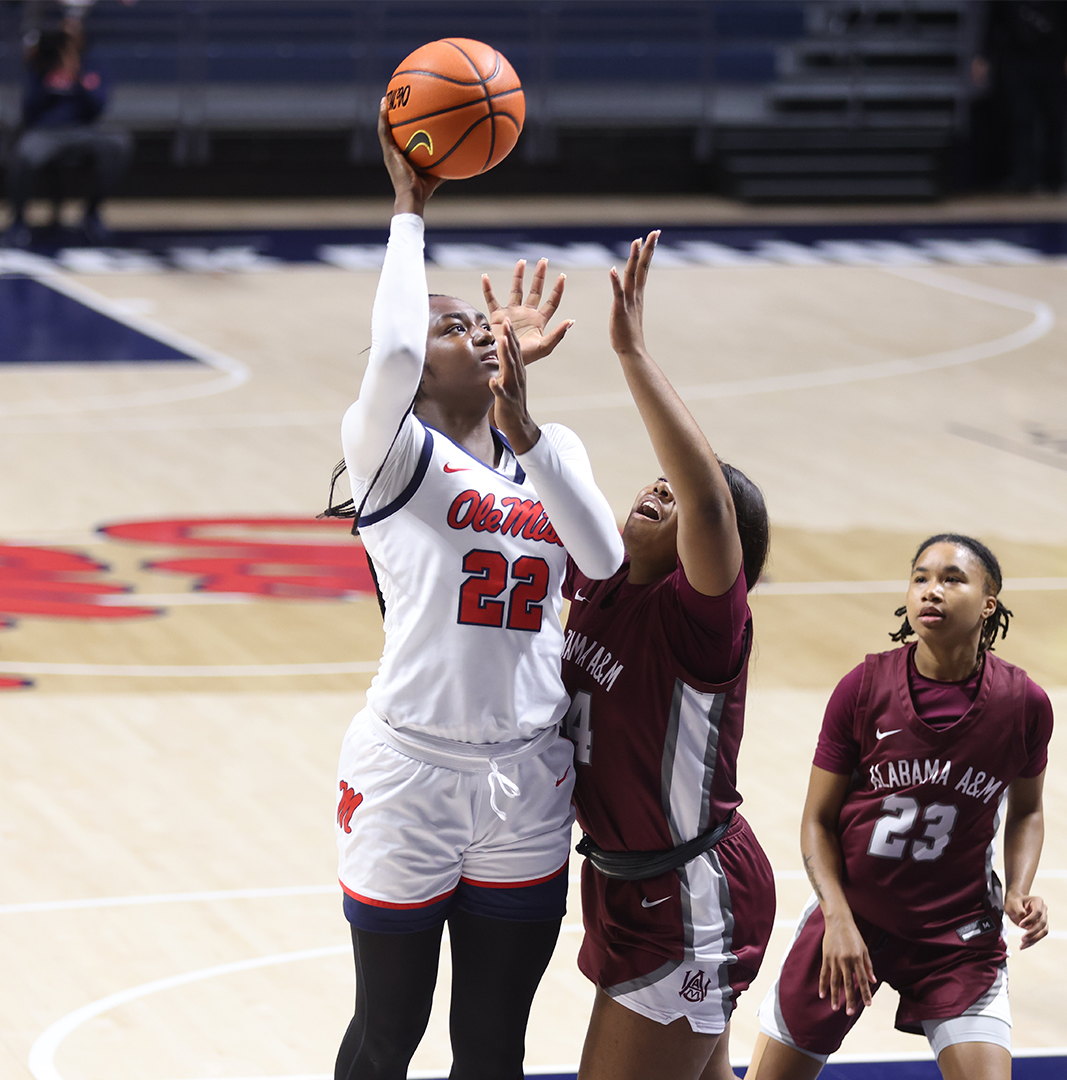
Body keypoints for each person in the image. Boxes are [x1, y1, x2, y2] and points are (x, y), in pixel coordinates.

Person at [327, 97, 625, 1079]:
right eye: (459, 327)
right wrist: (410, 208)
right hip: (409, 773)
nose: (481, 331)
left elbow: (605, 561)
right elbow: (397, 352)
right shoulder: (389, 453)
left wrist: (528, 423)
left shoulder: (553, 449)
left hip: (527, 780)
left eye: (481, 322)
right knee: (389, 1032)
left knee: (494, 1044)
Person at [561, 230, 776, 1080]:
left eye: (677, 494)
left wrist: (633, 355)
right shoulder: (600, 584)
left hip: (687, 892)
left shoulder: (701, 626)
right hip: (630, 883)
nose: (657, 489)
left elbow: (710, 507)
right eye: (652, 483)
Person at [749, 535, 1053, 1080]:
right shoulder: (862, 690)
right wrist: (837, 921)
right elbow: (817, 821)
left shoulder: (1023, 705)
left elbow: (1027, 809)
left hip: (956, 936)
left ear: (990, 603)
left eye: (951, 579)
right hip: (853, 919)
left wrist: (1020, 886)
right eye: (920, 578)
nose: (931, 591)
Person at [5, 25, 134, 246]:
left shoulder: (92, 68)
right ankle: (18, 221)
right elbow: (28, 111)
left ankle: (91, 214)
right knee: (25, 153)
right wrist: (44, 76)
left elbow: (97, 108)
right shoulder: (40, 66)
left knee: (118, 143)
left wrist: (77, 78)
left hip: (82, 131)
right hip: (45, 133)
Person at [975, 1, 1067, 194]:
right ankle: (1023, 179)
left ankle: (1052, 180)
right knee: (1021, 120)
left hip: (1054, 59)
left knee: (1055, 120)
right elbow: (994, 20)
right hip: (1018, 58)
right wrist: (983, 55)